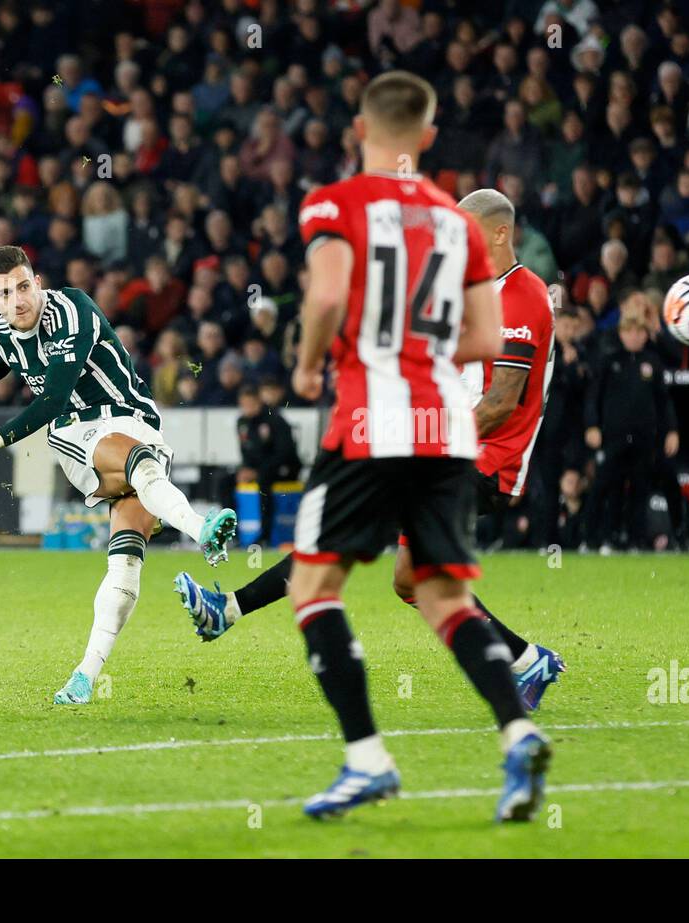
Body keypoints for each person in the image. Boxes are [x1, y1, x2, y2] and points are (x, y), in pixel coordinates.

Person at [184, 71, 550, 822]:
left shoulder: (335, 203)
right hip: (445, 430)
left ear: (359, 130)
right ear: (427, 137)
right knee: (441, 592)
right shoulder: (452, 224)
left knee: (318, 587)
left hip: (371, 420)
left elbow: (321, 297)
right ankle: (517, 732)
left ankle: (367, 759)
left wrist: (311, 359)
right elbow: (483, 339)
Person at [174, 189, 568, 714]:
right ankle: (526, 660)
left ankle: (228, 608)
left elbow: (500, 402)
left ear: (500, 233)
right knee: (409, 579)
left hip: (488, 461)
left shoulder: (523, 294)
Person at [0, 246, 238, 704]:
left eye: (24, 286)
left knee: (126, 558)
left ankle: (85, 676)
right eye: (5, 293)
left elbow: (51, 396)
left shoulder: (72, 310)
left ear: (38, 282)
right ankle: (200, 530)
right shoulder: (1, 329)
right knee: (137, 464)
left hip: (135, 419)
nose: (18, 300)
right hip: (79, 431)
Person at [583, 309, 679, 551]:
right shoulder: (609, 360)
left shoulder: (652, 362)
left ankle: (637, 541)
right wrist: (592, 425)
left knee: (640, 489)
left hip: (644, 438)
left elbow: (664, 400)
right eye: (630, 331)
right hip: (613, 437)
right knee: (605, 487)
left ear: (646, 335)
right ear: (622, 333)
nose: (635, 336)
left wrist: (672, 430)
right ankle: (597, 539)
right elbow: (593, 397)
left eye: (640, 332)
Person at [236, 383, 300, 542]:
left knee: (263, 481)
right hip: (257, 470)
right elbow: (246, 451)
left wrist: (257, 472)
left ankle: (265, 535)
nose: (247, 408)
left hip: (282, 469)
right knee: (224, 481)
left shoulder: (275, 420)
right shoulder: (242, 423)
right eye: (244, 405)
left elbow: (284, 454)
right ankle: (234, 534)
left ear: (259, 401)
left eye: (251, 404)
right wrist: (244, 469)